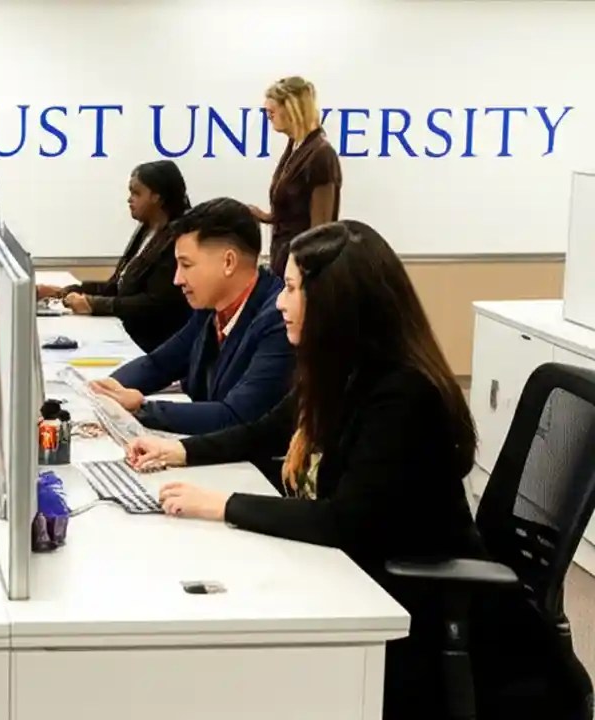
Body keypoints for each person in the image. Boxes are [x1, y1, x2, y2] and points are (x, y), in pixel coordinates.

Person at [124, 220, 482, 719]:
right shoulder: (337, 367)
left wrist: (222, 504)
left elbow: (347, 520)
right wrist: (180, 451)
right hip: (351, 575)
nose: (279, 303)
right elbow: (266, 430)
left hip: (401, 610)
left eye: (292, 289)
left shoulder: (401, 393)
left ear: (336, 302)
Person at [88, 198, 293, 435]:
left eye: (186, 265)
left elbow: (235, 415)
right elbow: (160, 364)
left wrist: (142, 409)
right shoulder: (211, 308)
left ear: (228, 262)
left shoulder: (278, 320)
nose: (177, 279)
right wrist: (107, 390)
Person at [36, 160, 194, 352]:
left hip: (149, 344)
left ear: (157, 197)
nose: (130, 199)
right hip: (129, 332)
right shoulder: (146, 230)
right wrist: (66, 291)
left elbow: (154, 304)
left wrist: (94, 305)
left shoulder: (177, 240)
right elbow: (118, 285)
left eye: (136, 193)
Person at [248, 76, 342, 277]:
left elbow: (321, 229)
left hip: (300, 268)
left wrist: (302, 277)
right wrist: (265, 216)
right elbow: (295, 208)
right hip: (282, 259)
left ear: (292, 108)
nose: (267, 112)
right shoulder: (294, 146)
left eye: (273, 109)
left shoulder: (321, 154)